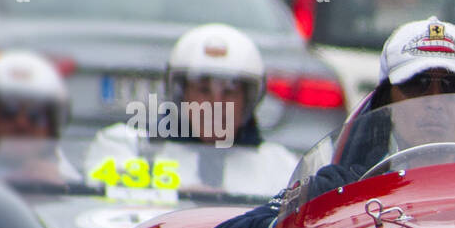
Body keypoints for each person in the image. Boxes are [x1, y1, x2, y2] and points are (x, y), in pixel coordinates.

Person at [206, 16, 455, 228]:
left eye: (453, 88)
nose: (435, 102)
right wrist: (291, 227)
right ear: (386, 102)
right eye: (417, 85)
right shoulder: (344, 185)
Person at [84, 23, 296, 197]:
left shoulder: (281, 168)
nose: (215, 105)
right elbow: (96, 199)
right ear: (181, 96)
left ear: (248, 102)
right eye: (203, 91)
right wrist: (173, 198)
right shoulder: (129, 148)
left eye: (230, 94)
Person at [0, 50, 80, 183]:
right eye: (8, 112)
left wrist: (54, 191)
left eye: (35, 116)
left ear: (51, 128)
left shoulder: (65, 178)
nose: (21, 123)